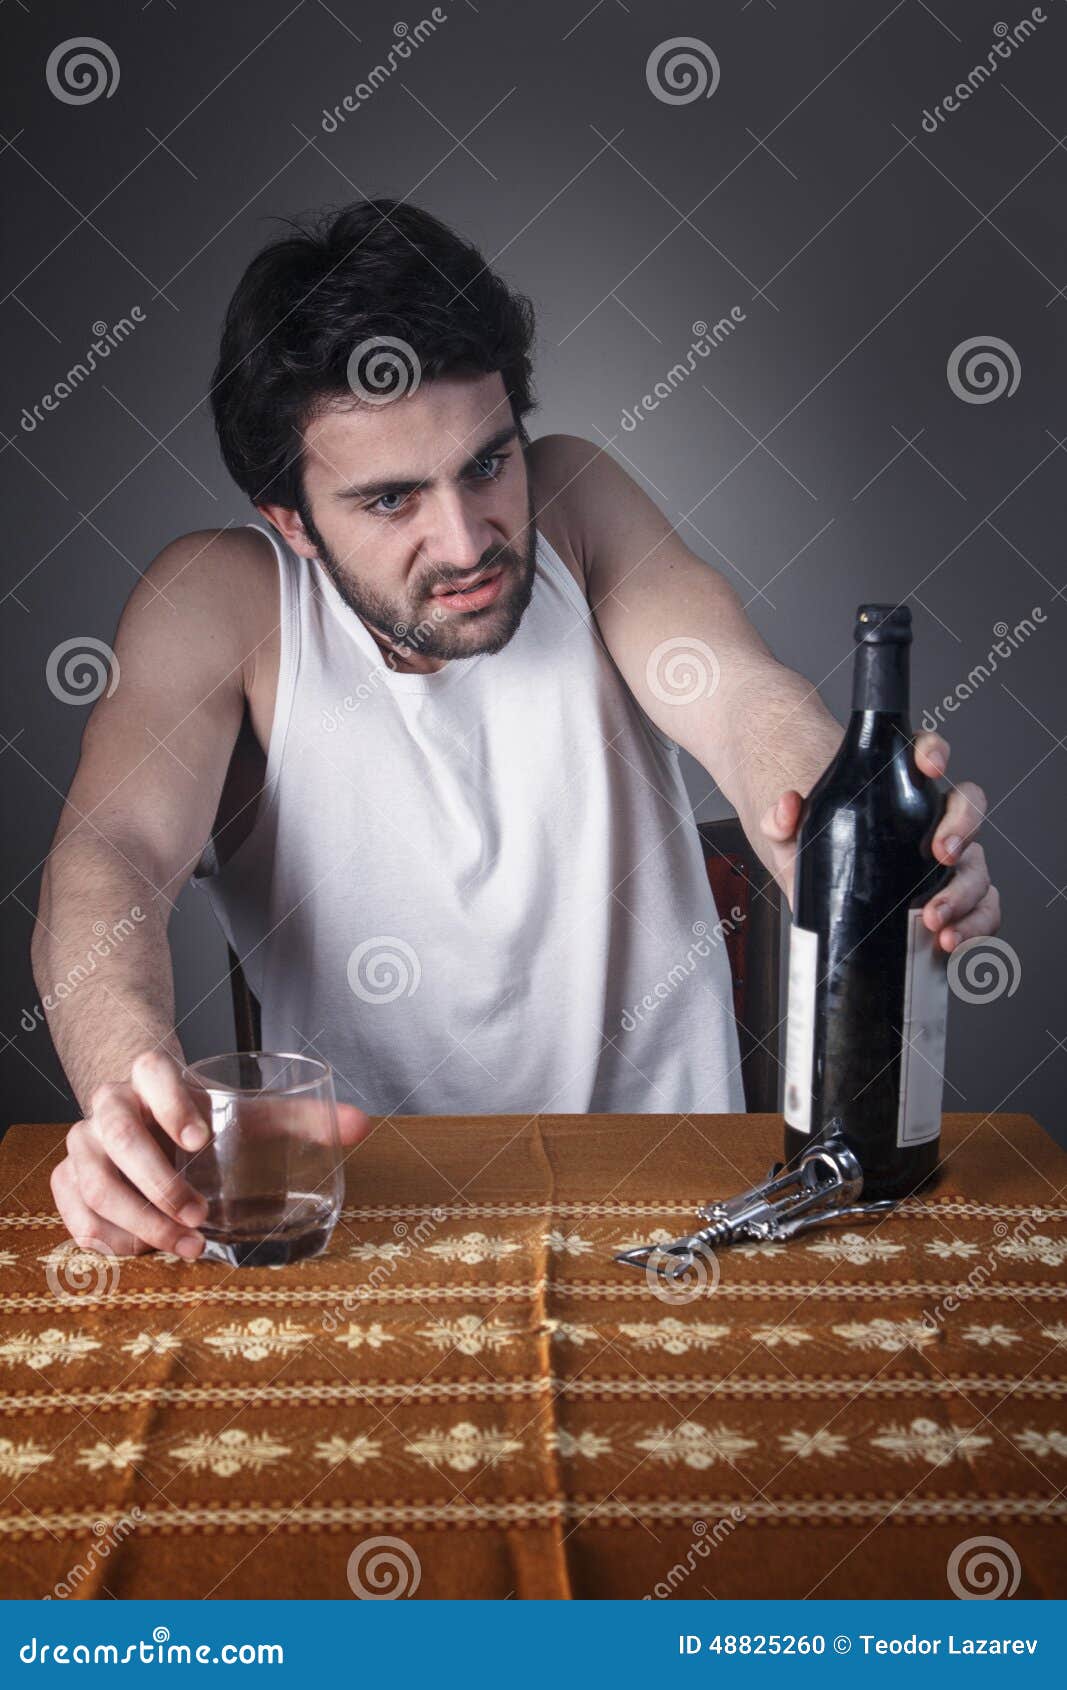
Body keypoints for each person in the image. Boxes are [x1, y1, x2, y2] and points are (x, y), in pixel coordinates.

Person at [32, 199, 1000, 1259]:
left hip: (672, 1207)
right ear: (293, 521)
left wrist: (856, 832)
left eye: (487, 464)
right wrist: (131, 1092)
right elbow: (111, 858)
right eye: (392, 499)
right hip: (369, 1230)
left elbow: (746, 705)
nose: (466, 540)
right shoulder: (219, 604)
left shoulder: (578, 509)